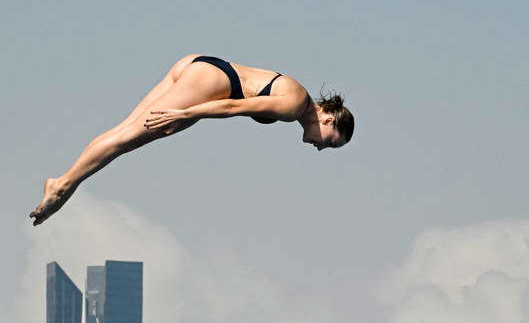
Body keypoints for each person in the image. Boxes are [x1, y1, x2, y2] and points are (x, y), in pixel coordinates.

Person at [29, 53, 354, 225]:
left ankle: (65, 181)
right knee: (129, 137)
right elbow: (231, 105)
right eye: (331, 140)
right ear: (328, 118)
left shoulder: (297, 101)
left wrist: (187, 116)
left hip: (200, 66)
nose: (323, 147)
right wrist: (188, 114)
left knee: (125, 132)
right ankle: (63, 184)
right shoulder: (294, 104)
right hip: (212, 80)